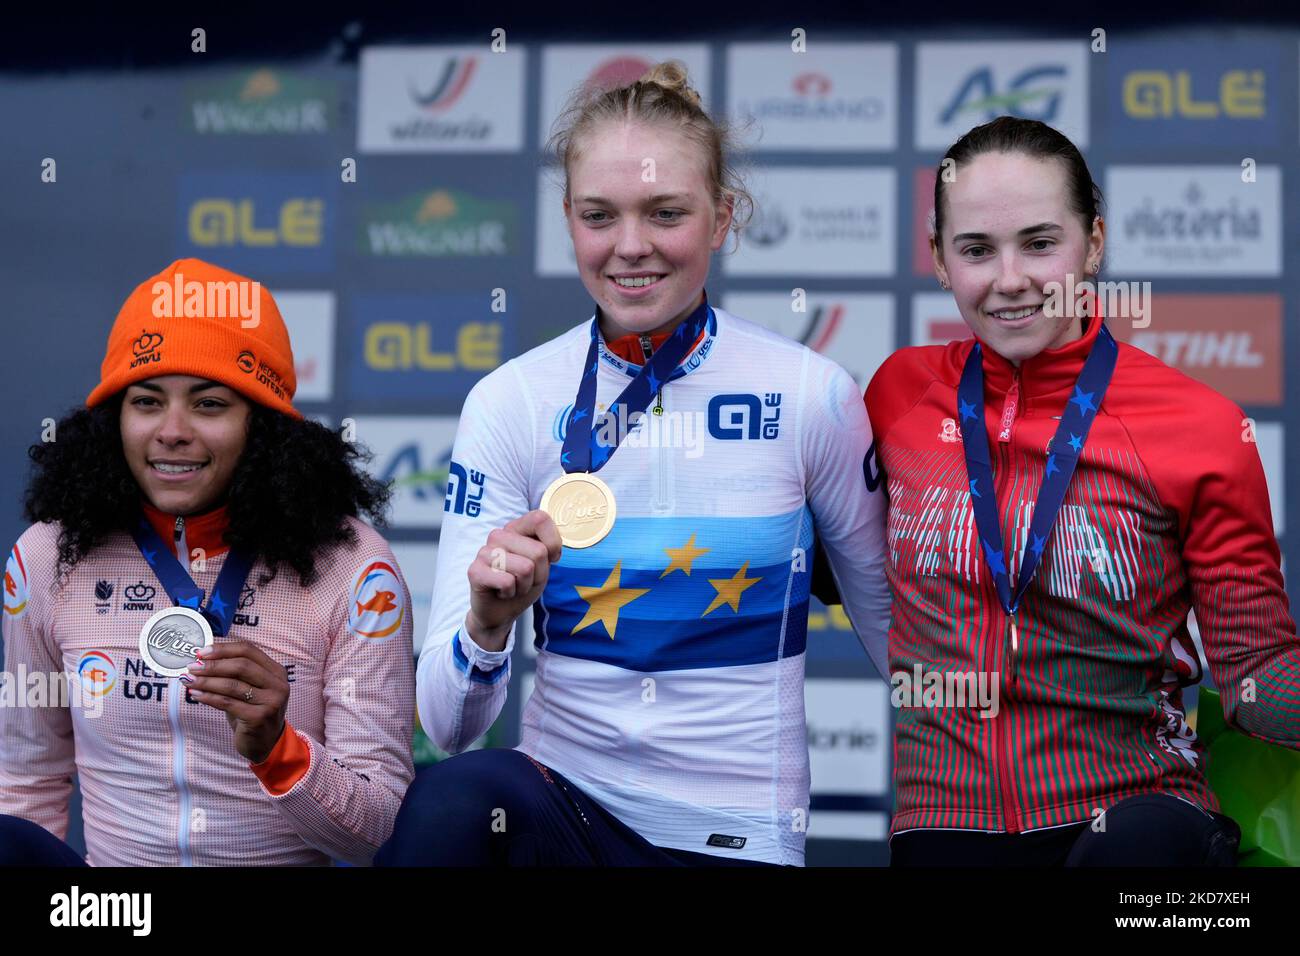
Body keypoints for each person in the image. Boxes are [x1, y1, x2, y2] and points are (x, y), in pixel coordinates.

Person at [376, 61, 891, 867]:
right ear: (568, 218)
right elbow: (447, 727)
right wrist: (486, 621)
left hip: (735, 839)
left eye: (666, 213)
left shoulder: (809, 395)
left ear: (723, 216)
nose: (630, 246)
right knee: (452, 806)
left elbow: (899, 636)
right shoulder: (510, 403)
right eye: (599, 215)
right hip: (567, 817)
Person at [864, 115, 1299, 865]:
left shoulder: (1199, 426)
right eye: (976, 249)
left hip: (1138, 814)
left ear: (1094, 243)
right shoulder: (898, 395)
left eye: (1040, 243)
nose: (1010, 279)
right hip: (943, 820)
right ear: (938, 260)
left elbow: (1256, 675)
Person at [0, 258, 415, 866]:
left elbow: (375, 829)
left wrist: (279, 749)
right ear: (114, 420)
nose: (172, 431)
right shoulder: (46, 558)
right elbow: (25, 789)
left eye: (210, 404)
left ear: (262, 426)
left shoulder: (353, 569)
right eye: (146, 401)